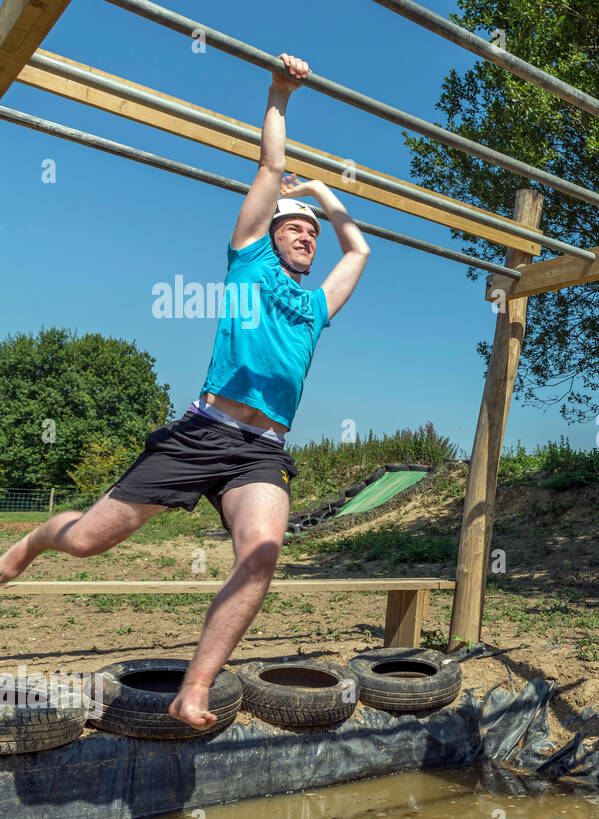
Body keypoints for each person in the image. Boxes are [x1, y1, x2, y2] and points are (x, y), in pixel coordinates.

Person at [0, 54, 370, 730]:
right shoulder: (248, 261)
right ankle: (27, 547)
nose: (305, 236)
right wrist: (279, 96)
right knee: (86, 541)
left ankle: (192, 689)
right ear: (270, 235)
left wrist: (322, 195)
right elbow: (266, 171)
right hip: (205, 429)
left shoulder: (317, 306)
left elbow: (362, 253)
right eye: (295, 226)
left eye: (310, 233)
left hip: (261, 449)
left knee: (262, 555)